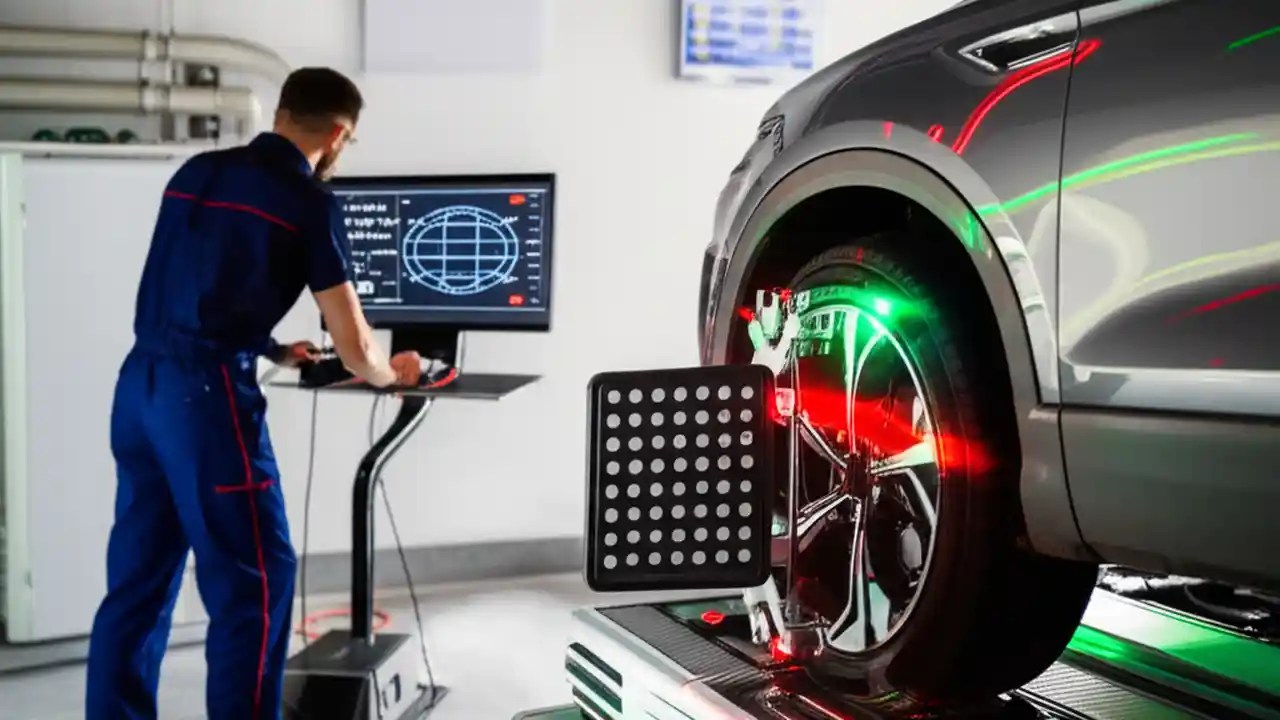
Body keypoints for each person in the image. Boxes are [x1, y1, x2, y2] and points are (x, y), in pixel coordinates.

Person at [84, 67, 419, 720]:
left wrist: (270, 349)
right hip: (203, 405)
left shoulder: (196, 172)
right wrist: (394, 374)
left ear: (283, 111)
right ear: (341, 134)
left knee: (138, 584)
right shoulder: (308, 201)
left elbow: (191, 289)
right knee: (257, 584)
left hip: (139, 390)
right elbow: (356, 346)